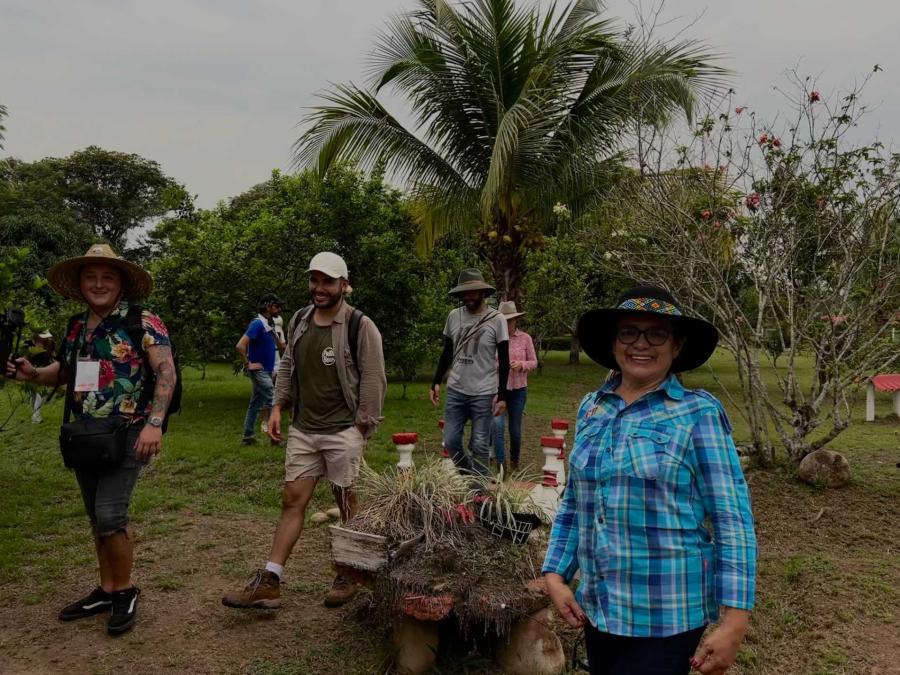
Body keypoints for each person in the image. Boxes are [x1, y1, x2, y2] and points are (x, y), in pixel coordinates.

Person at [543, 286, 757, 675]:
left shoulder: (698, 414)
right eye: (629, 332)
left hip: (667, 615)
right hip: (600, 608)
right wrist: (555, 574)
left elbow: (731, 519)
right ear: (613, 343)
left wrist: (735, 619)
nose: (641, 344)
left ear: (676, 346)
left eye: (656, 334)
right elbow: (575, 501)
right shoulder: (593, 408)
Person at [5, 243, 176, 636]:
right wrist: (31, 373)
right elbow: (64, 374)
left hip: (130, 429)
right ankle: (107, 587)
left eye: (107, 277)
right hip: (86, 434)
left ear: (121, 283)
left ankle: (126, 590)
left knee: (111, 514)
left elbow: (165, 372)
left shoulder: (142, 320)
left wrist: (154, 423)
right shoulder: (77, 326)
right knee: (95, 517)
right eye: (90, 277)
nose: (98, 284)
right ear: (80, 284)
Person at [222, 252, 386, 610]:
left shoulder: (360, 325)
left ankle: (349, 572)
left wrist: (362, 428)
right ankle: (270, 579)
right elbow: (287, 367)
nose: (319, 288)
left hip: (344, 429)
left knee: (345, 501)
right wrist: (278, 406)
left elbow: (373, 379)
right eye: (314, 280)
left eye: (327, 281)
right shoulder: (299, 320)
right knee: (292, 501)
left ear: (343, 285)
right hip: (305, 429)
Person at [430, 268, 509, 476]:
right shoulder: (454, 316)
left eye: (472, 292)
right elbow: (447, 352)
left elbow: (505, 359)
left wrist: (502, 396)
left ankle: (479, 494)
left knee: (480, 444)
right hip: (457, 389)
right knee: (451, 440)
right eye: (464, 293)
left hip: (483, 391)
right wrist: (436, 381)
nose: (468, 297)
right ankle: (471, 476)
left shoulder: (497, 319)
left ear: (483, 292)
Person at [492, 301, 536, 472]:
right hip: (497, 389)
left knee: (515, 429)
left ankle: (515, 461)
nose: (507, 324)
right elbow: (486, 362)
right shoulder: (493, 339)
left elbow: (534, 362)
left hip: (518, 390)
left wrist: (522, 365)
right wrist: (501, 365)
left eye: (510, 321)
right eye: (503, 321)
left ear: (516, 321)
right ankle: (501, 465)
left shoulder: (525, 338)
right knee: (497, 426)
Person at [236, 294, 284, 446]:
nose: (279, 309)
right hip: (260, 371)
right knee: (273, 398)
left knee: (255, 403)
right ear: (268, 306)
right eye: (276, 306)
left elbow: (280, 346)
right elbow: (240, 345)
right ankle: (274, 438)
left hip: (266, 370)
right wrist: (248, 364)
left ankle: (247, 436)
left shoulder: (267, 324)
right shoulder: (257, 324)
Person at [25, 330, 56, 424]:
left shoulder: (49, 344)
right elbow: (24, 357)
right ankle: (35, 414)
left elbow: (52, 358)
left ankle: (36, 416)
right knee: (33, 394)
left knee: (40, 394)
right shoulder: (28, 344)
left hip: (42, 372)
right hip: (29, 371)